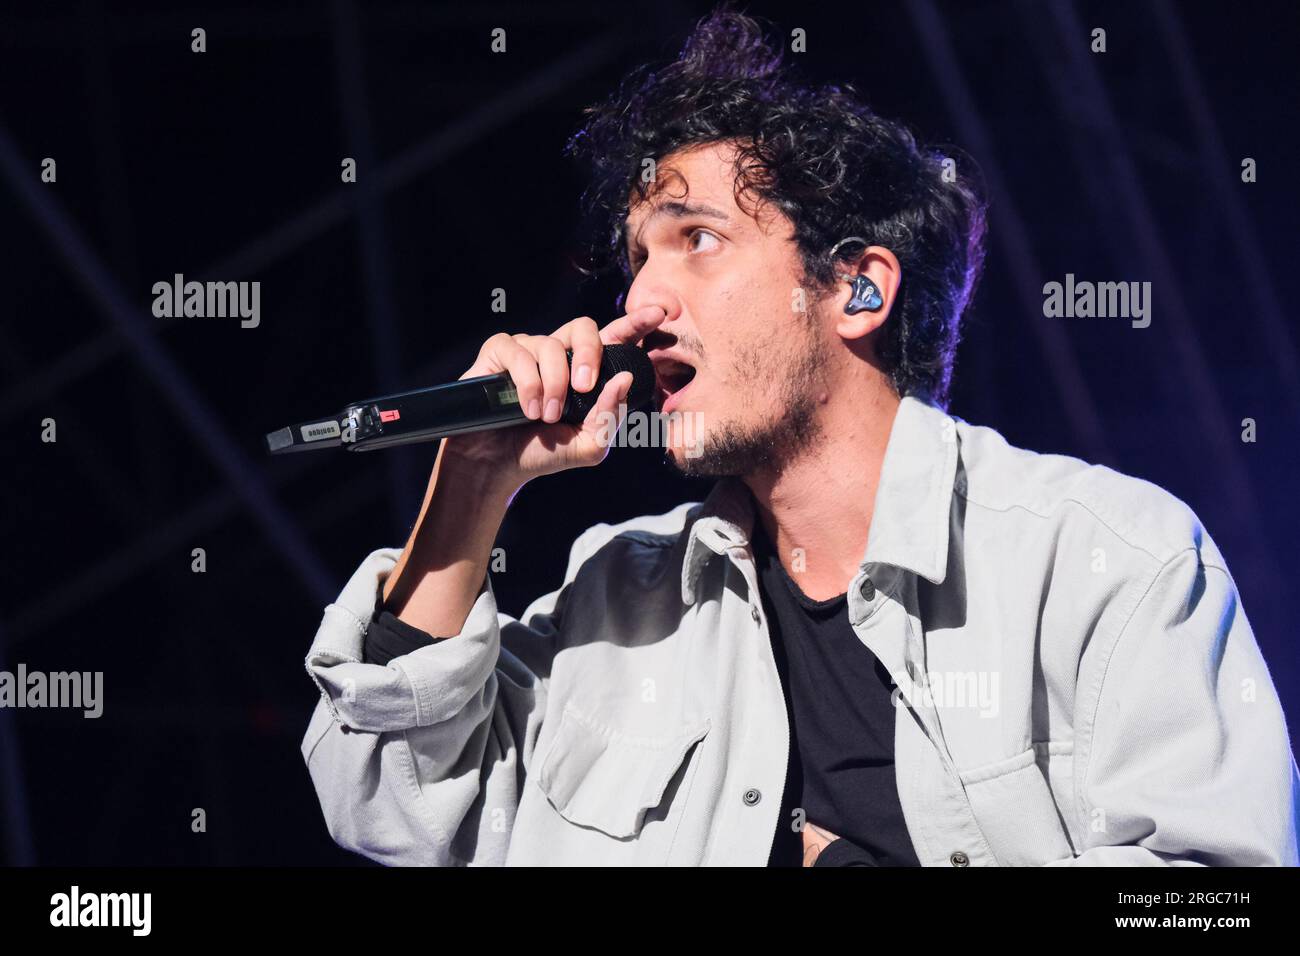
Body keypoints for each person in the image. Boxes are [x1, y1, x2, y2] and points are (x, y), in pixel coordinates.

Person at [299, 8, 1299, 866]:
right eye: (636, 259)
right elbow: (387, 800)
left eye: (695, 240)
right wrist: (470, 488)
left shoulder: (1101, 562)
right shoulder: (617, 600)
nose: (639, 303)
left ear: (857, 288)